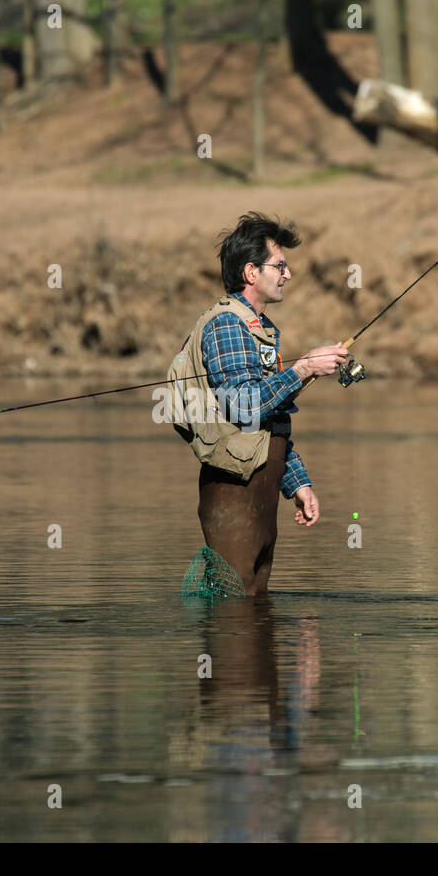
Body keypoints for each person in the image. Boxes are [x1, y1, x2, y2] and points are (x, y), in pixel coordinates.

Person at [169, 212, 348, 595]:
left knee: (254, 601)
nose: (287, 274)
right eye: (279, 266)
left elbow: (267, 423)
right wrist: (303, 368)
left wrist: (297, 484)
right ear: (251, 272)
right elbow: (244, 407)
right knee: (238, 607)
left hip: (259, 490)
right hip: (233, 491)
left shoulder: (258, 330)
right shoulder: (228, 325)